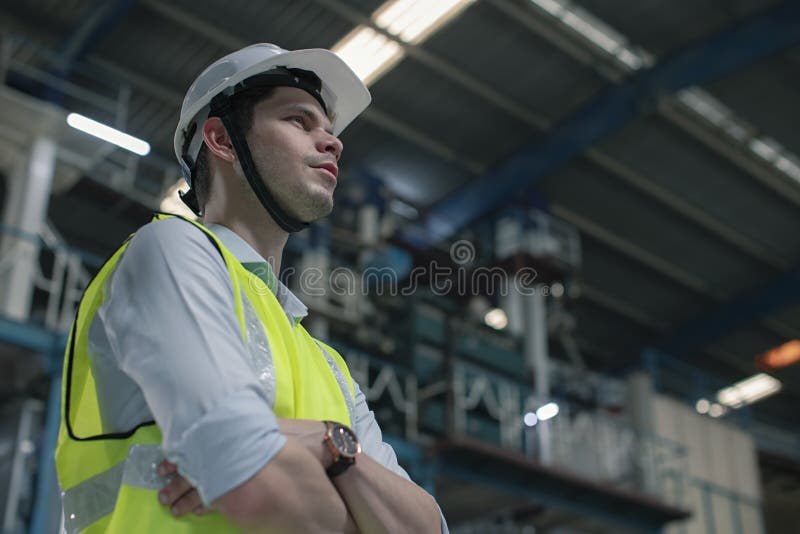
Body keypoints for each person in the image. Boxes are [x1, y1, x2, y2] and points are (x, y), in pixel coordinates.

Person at [55, 43, 447, 533]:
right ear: (220, 139)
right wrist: (345, 492)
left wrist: (331, 445)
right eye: (299, 122)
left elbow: (427, 527)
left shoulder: (326, 363)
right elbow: (268, 493)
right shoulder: (171, 250)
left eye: (328, 130)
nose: (333, 143)